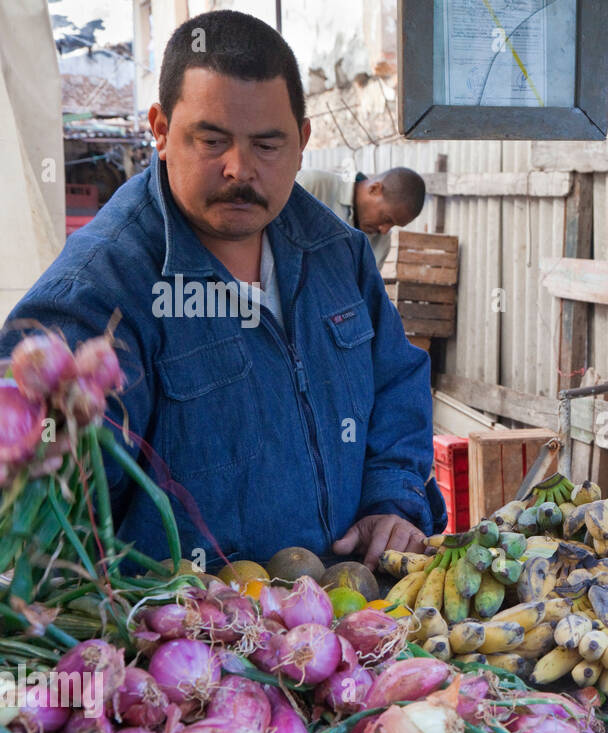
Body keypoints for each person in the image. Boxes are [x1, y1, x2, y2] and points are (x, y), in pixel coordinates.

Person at [1, 10, 446, 569]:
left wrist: (394, 498)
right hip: (191, 644)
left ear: (303, 141)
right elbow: (47, 524)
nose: (240, 169)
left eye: (267, 145)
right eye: (212, 140)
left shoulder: (337, 251)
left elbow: (397, 379)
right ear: (160, 131)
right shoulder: (96, 295)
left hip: (349, 621)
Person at [296, 166, 426, 267]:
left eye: (393, 225)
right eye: (387, 219)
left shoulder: (381, 243)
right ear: (374, 189)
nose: (384, 230)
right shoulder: (312, 186)